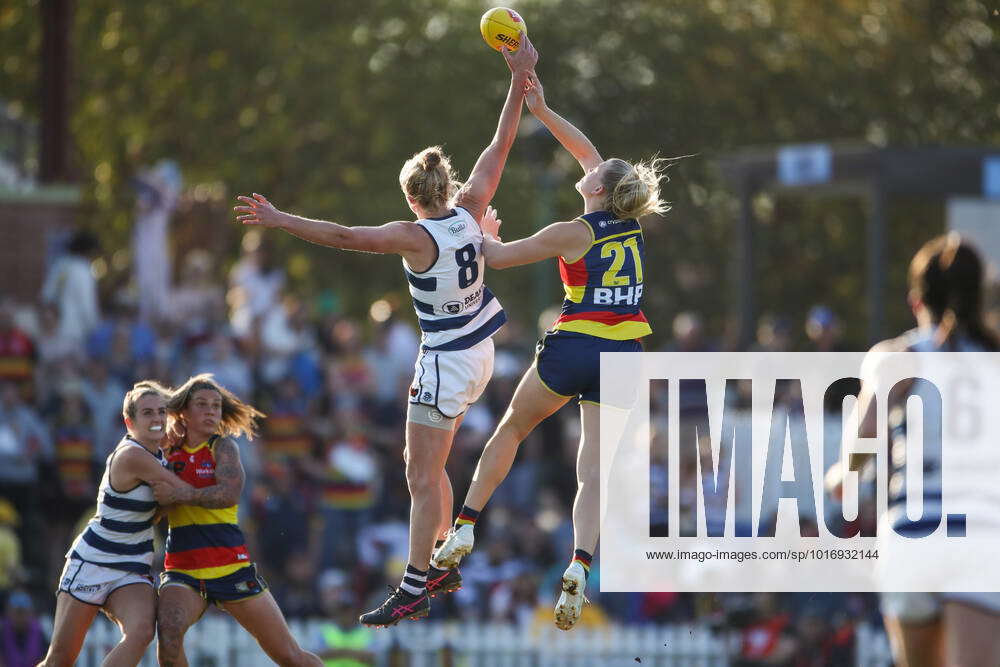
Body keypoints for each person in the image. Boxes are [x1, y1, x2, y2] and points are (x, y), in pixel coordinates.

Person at [233, 35, 539, 626]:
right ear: (448, 186)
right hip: (481, 350)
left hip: (446, 356)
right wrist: (518, 77)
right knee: (437, 469)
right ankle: (443, 560)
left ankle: (415, 582)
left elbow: (344, 235)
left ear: (408, 195)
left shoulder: (413, 234)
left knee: (419, 476)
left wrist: (278, 219)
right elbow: (500, 142)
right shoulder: (473, 205)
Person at [433, 71, 668, 631]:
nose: (586, 169)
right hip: (625, 355)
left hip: (575, 345)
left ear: (597, 189)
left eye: (593, 173)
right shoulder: (630, 224)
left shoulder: (573, 230)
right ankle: (581, 567)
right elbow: (589, 153)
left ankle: (465, 525)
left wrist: (478, 228)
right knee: (593, 472)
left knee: (511, 429)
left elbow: (502, 255)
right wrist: (541, 108)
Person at [827, 234, 1000, 666]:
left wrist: (838, 480)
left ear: (915, 300)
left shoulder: (897, 358)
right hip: (980, 534)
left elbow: (850, 469)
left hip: (913, 534)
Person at [152, 374, 323, 666]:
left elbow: (227, 495)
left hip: (231, 568)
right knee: (168, 637)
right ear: (184, 412)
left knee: (290, 656)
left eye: (216, 406)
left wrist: (179, 493)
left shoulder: (223, 448)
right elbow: (155, 506)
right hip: (183, 570)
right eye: (202, 405)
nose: (210, 411)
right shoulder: (167, 452)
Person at [39, 381, 190, 667]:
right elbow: (182, 490)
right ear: (129, 422)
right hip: (94, 561)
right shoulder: (132, 455)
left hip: (132, 563)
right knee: (59, 659)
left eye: (161, 412)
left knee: (142, 632)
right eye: (147, 413)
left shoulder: (159, 454)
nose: (157, 418)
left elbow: (172, 498)